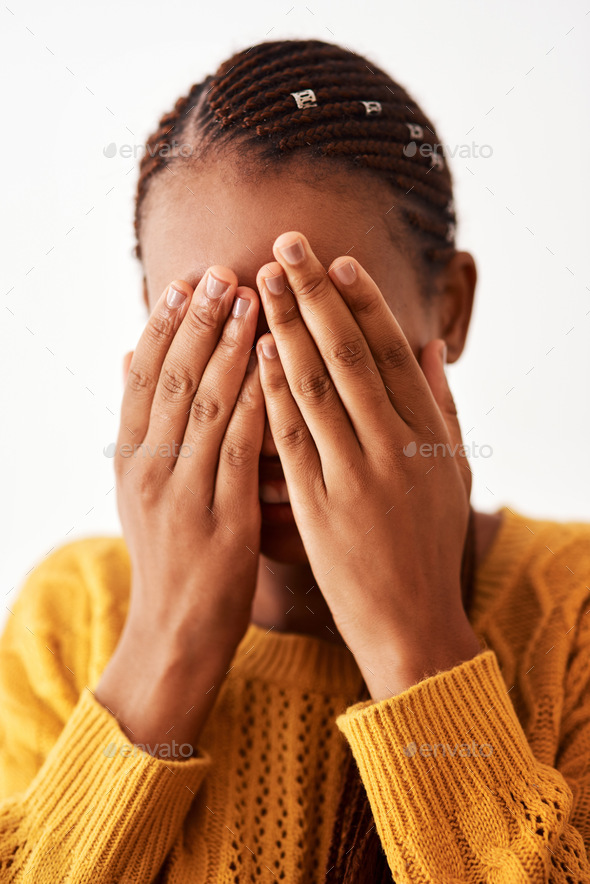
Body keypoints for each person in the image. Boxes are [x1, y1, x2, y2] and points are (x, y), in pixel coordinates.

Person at [1, 38, 589, 884]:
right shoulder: (73, 620)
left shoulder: (573, 615)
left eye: (325, 332)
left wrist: (416, 647)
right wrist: (165, 650)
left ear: (448, 309)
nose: (274, 403)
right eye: (214, 329)